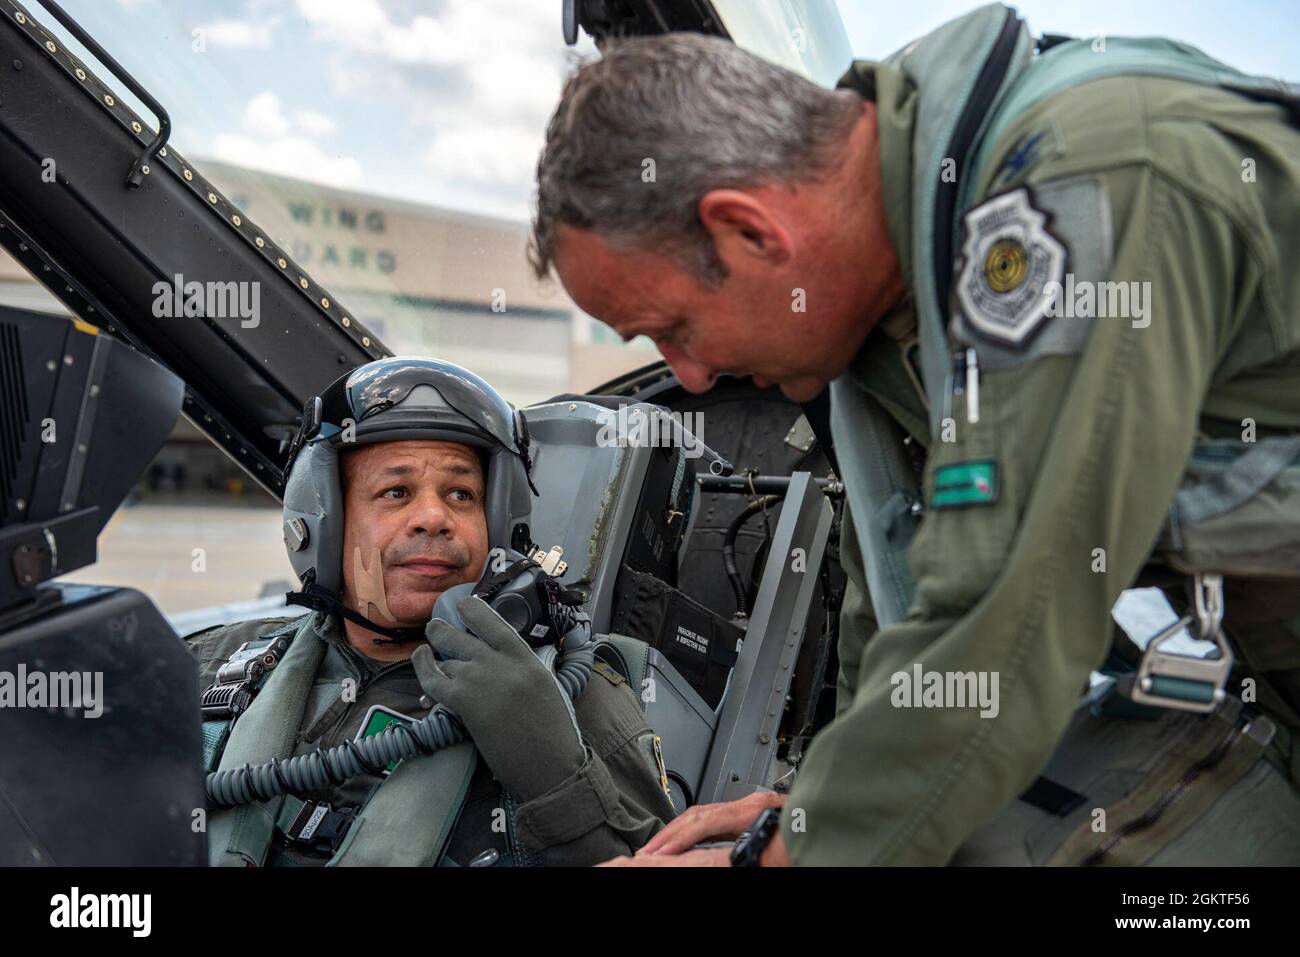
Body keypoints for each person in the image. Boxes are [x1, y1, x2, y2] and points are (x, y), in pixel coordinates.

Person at [528, 7, 1300, 865]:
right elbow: (896, 607)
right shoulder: (891, 309)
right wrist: (808, 811)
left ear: (751, 229)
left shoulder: (1083, 191)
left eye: (674, 327)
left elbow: (1004, 631)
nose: (692, 376)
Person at [189, 357, 675, 866]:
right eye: (395, 492)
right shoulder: (211, 665)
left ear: (500, 527)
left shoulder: (577, 698)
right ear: (324, 522)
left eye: (461, 494)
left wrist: (557, 775)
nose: (433, 518)